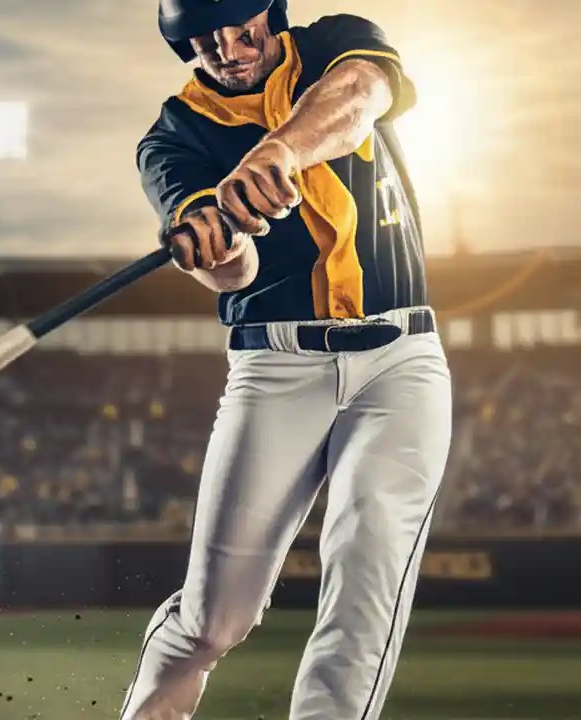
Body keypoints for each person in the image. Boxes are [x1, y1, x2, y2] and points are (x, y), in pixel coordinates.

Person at [121, 1, 453, 718]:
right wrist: (219, 242)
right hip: (276, 367)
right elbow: (231, 275)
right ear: (184, 42)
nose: (233, 48)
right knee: (214, 621)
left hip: (401, 359)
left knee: (367, 567)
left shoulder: (335, 43)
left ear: (273, 14)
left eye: (246, 28)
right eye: (210, 39)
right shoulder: (173, 137)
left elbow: (361, 97)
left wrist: (278, 151)